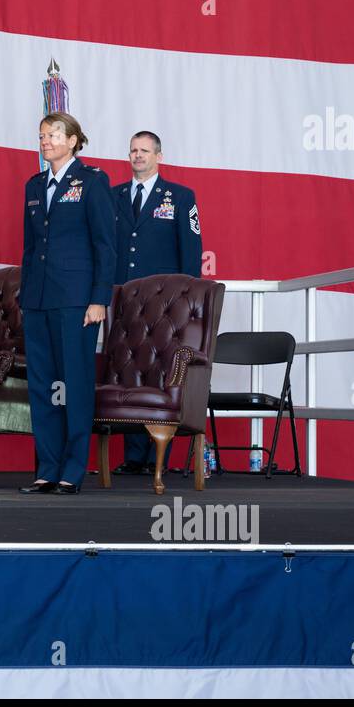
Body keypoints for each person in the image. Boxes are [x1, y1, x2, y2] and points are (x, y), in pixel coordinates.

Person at [18, 112, 116, 495]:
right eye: (41, 135)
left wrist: (99, 298)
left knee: (73, 385)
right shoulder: (34, 184)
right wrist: (27, 295)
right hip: (39, 299)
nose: (45, 140)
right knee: (42, 387)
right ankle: (46, 468)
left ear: (73, 140)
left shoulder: (92, 182)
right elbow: (30, 248)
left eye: (53, 134)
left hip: (76, 300)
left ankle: (72, 470)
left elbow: (105, 246)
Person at [112, 130, 203, 475]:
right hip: (123, 300)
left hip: (166, 304)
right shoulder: (113, 196)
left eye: (145, 151)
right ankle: (134, 457)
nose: (138, 156)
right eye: (133, 150)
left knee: (163, 375)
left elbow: (191, 252)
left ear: (159, 156)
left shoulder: (180, 197)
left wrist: (187, 300)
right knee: (127, 374)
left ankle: (158, 457)